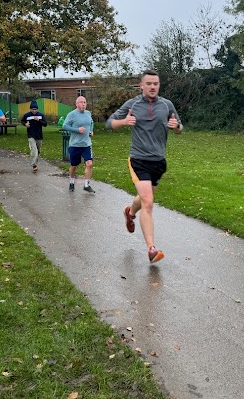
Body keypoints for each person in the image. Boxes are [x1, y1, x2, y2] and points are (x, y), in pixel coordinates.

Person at [105, 70, 182, 264]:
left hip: (158, 160)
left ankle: (129, 212)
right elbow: (109, 123)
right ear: (141, 85)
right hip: (138, 159)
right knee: (148, 202)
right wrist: (124, 121)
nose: (152, 87)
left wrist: (176, 127)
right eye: (148, 83)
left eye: (155, 83)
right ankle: (151, 249)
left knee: (145, 198)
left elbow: (180, 128)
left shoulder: (167, 105)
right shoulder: (133, 105)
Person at [61, 95, 95, 193]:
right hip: (75, 145)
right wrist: (76, 130)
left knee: (89, 163)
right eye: (81, 102)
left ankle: (86, 185)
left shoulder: (88, 113)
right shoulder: (72, 114)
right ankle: (72, 182)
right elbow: (65, 126)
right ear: (76, 104)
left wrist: (91, 131)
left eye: (84, 102)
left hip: (86, 144)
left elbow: (91, 123)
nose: (83, 104)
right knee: (74, 166)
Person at [20, 100, 48, 173]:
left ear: (37, 109)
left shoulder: (40, 115)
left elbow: (45, 124)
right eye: (32, 109)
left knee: (38, 151)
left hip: (39, 135)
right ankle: (34, 165)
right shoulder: (27, 115)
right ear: (30, 109)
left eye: (35, 109)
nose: (34, 111)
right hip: (31, 135)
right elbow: (22, 121)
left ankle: (35, 163)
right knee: (34, 151)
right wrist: (25, 124)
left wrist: (39, 120)